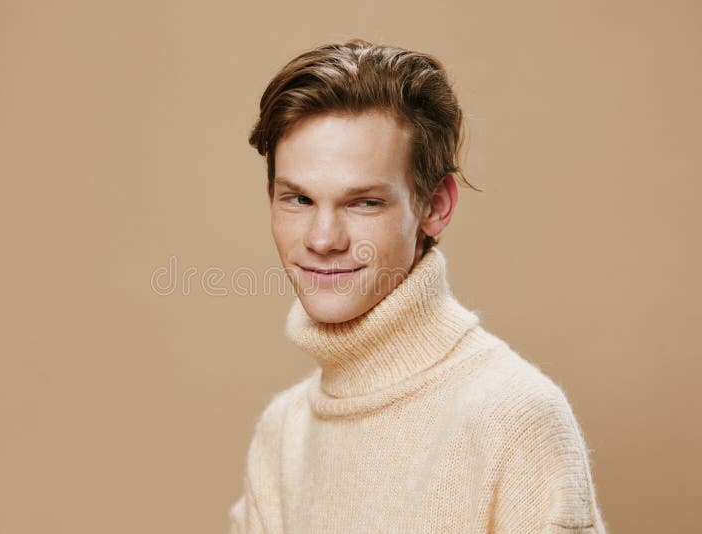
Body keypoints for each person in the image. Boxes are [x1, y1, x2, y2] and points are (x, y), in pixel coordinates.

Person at [228, 38, 607, 533]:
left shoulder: (516, 419)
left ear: (434, 205)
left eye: (364, 202)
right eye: (298, 199)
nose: (322, 239)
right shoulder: (282, 433)